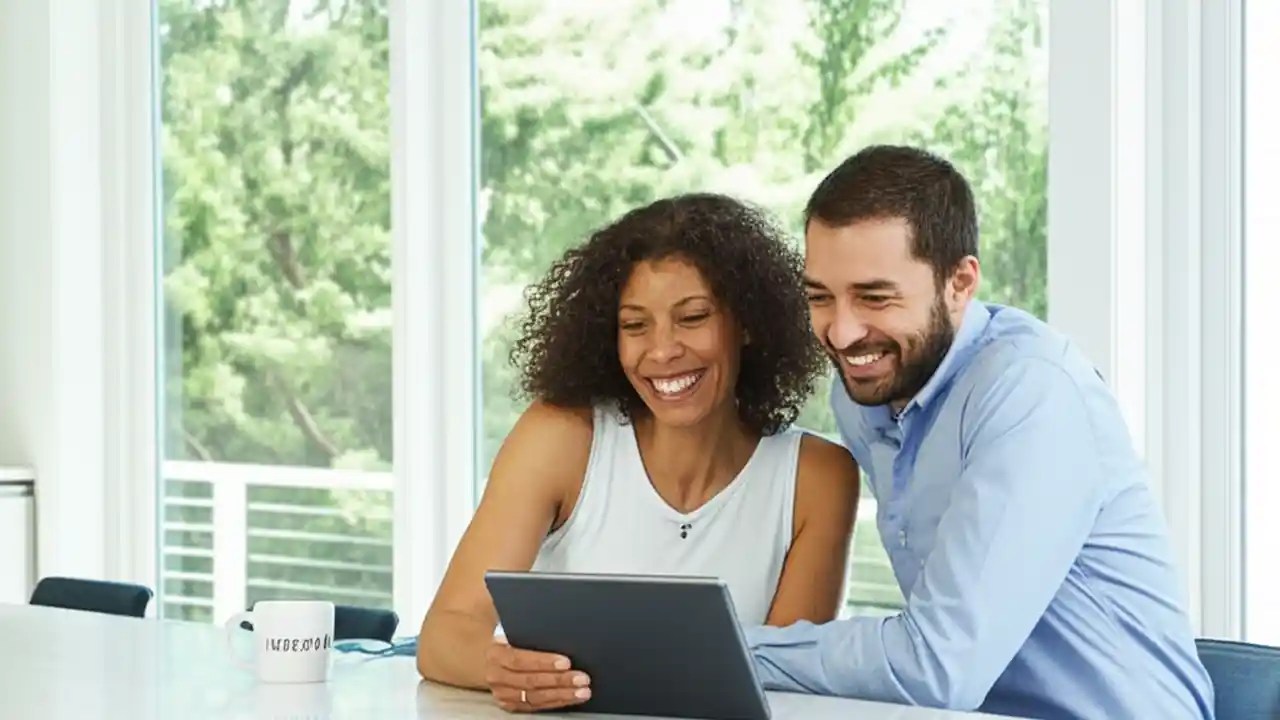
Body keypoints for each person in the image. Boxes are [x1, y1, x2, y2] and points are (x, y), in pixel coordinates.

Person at [743, 145, 1216, 719]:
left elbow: (938, 668)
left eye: (875, 297)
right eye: (820, 297)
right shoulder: (864, 391)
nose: (842, 334)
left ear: (960, 283)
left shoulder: (1029, 391)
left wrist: (730, 650)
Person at [415, 193, 861, 713]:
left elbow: (786, 682)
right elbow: (444, 636)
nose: (662, 350)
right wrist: (502, 668)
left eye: (692, 317)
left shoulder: (818, 478)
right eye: (634, 325)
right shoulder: (561, 438)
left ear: (747, 323)